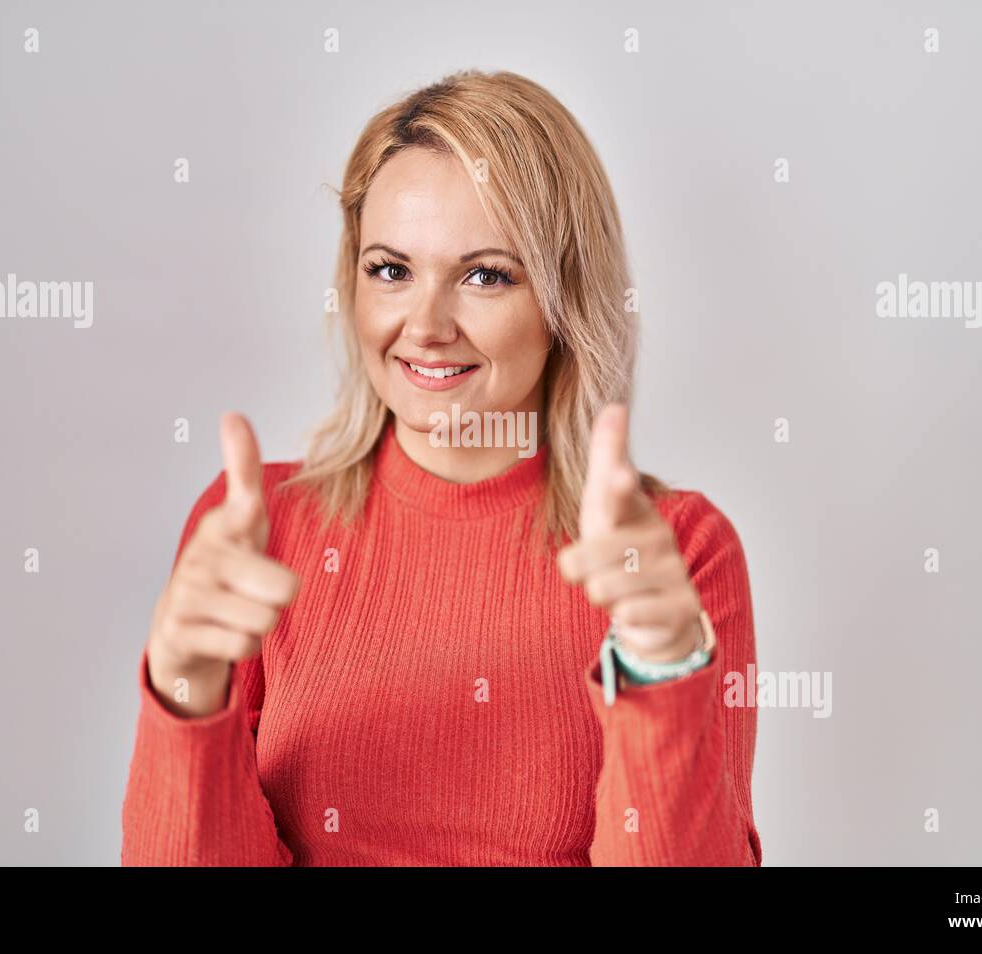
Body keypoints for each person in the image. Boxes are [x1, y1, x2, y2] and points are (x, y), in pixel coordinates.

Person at [122, 69, 760, 866]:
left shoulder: (680, 552)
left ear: (564, 301)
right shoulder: (257, 528)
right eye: (390, 270)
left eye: (485, 275)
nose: (424, 326)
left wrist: (663, 673)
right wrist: (183, 692)